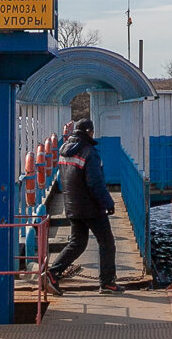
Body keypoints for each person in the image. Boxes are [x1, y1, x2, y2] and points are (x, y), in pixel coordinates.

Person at [42, 118, 122, 295]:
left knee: (78, 243)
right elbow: (95, 183)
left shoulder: (64, 152)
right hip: (91, 208)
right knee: (107, 243)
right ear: (90, 132)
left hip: (72, 205)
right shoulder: (89, 153)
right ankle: (107, 283)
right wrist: (108, 203)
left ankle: (53, 272)